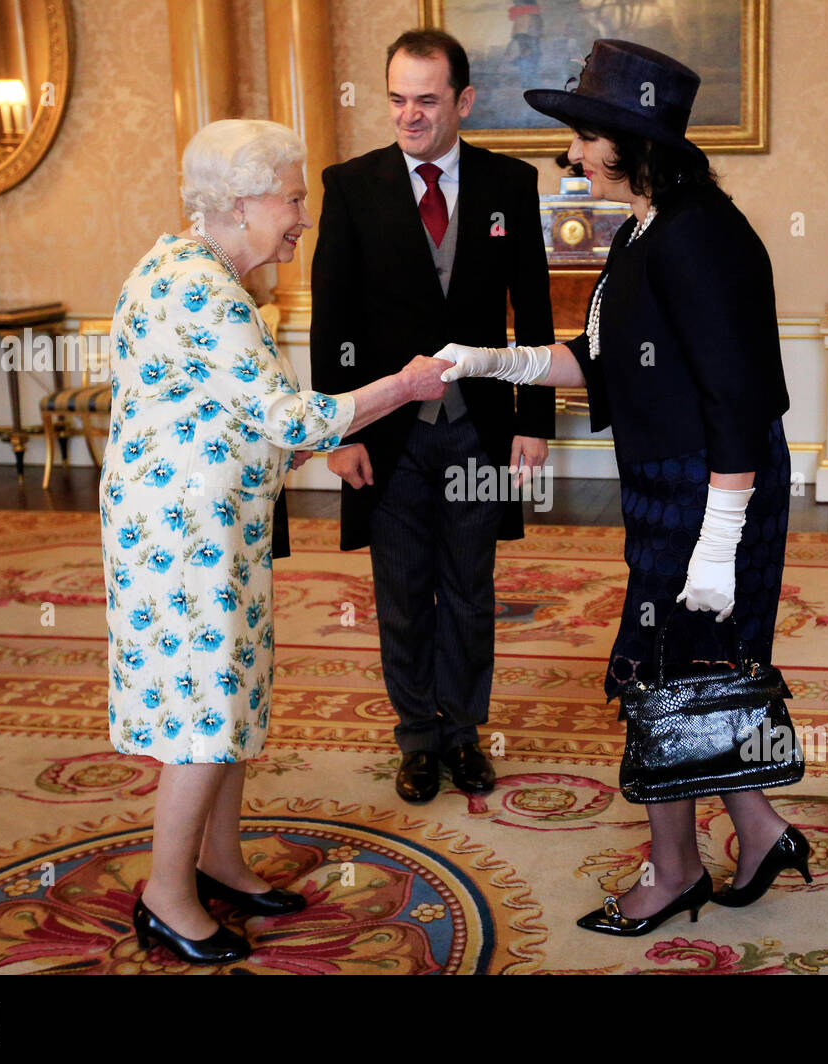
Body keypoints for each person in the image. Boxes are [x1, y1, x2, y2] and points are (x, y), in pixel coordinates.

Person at [435, 40, 810, 935]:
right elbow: (601, 360)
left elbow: (737, 395)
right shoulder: (648, 226)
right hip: (668, 490)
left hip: (712, 491)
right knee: (692, 670)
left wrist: (718, 540)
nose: (569, 152)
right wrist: (488, 359)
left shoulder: (702, 236)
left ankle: (676, 868)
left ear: (633, 145)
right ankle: (759, 830)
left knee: (664, 673)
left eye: (582, 137)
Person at [101, 118, 447, 965]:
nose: (302, 216)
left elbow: (254, 421)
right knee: (204, 710)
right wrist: (403, 385)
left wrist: (305, 431)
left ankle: (218, 860)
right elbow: (295, 417)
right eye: (292, 197)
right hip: (181, 538)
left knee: (233, 692)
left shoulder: (202, 273)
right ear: (241, 199)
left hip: (211, 527)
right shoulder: (199, 288)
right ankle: (167, 894)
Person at [305, 28, 555, 804]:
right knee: (404, 590)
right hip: (388, 433)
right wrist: (339, 430)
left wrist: (533, 419)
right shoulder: (350, 186)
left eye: (426, 100)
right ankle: (417, 738)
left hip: (477, 428)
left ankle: (464, 731)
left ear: (463, 101)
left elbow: (534, 310)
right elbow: (332, 317)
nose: (408, 116)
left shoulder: (509, 185)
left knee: (472, 588)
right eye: (396, 99)